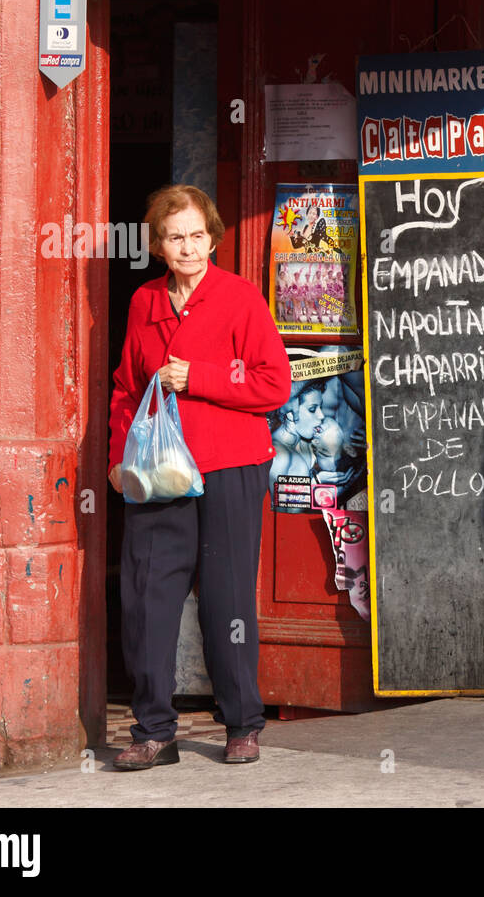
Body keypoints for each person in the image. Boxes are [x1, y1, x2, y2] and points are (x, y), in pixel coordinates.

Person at [107, 184, 291, 770]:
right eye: (173, 237)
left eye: (196, 235)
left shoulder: (240, 299)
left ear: (212, 238)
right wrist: (116, 459)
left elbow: (273, 384)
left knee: (225, 600)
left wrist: (200, 378)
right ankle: (155, 731)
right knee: (147, 599)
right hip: (158, 473)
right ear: (157, 245)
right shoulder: (142, 303)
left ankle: (242, 724)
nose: (187, 247)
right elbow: (126, 389)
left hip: (231, 467)